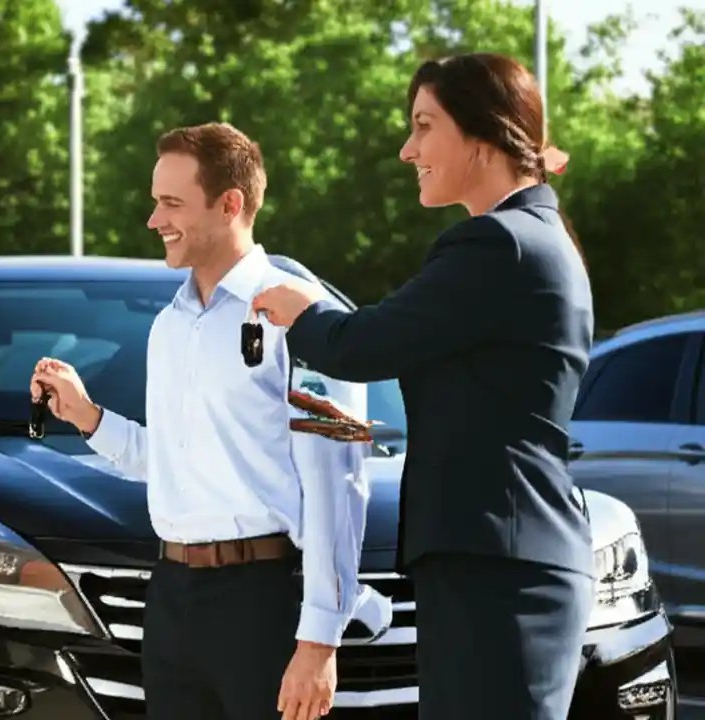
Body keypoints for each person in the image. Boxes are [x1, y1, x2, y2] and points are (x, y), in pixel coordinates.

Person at [250, 52, 592, 719]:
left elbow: (362, 344)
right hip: (508, 559)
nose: (409, 150)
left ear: (484, 134)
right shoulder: (536, 237)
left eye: (424, 126)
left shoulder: (496, 244)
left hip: (497, 566)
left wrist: (297, 307)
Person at [32, 122, 386, 720]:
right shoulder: (170, 325)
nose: (154, 220)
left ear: (230, 205)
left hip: (262, 603)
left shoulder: (301, 315)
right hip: (171, 600)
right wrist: (87, 416)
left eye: (172, 203)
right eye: (156, 201)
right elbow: (171, 461)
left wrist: (319, 641)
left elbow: (338, 489)